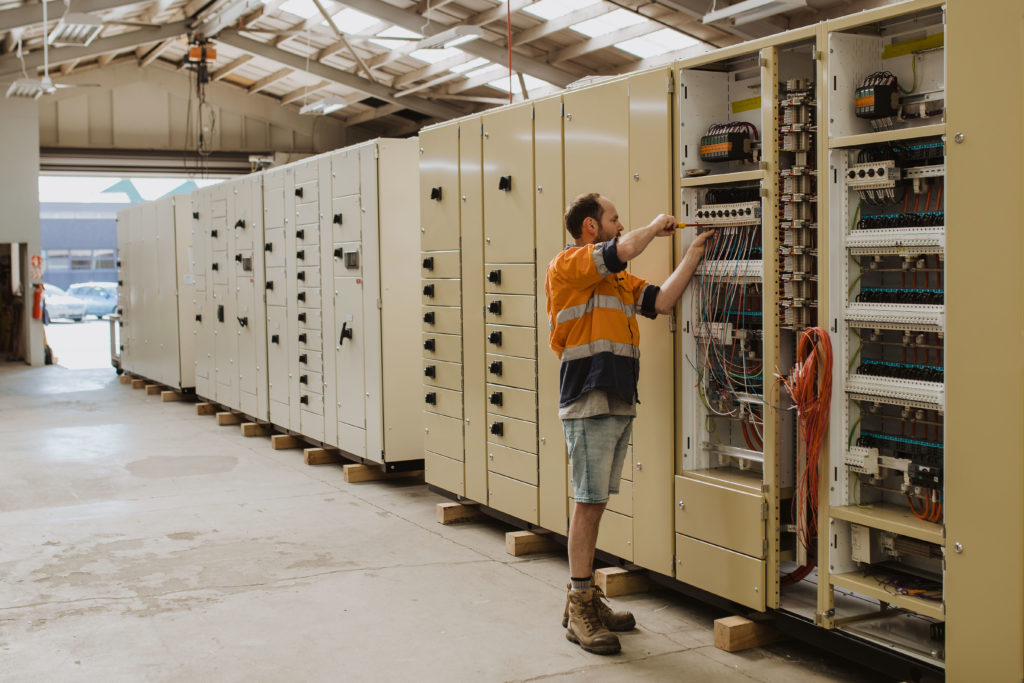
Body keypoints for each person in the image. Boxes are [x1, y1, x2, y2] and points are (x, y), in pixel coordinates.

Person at [545, 193, 715, 655]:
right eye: (614, 218)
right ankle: (580, 607)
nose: (621, 225)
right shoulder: (569, 265)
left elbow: (661, 302)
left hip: (617, 397)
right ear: (590, 228)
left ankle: (583, 597)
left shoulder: (616, 279)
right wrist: (656, 225)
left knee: (596, 503)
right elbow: (622, 249)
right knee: (588, 502)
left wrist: (693, 255)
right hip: (587, 397)